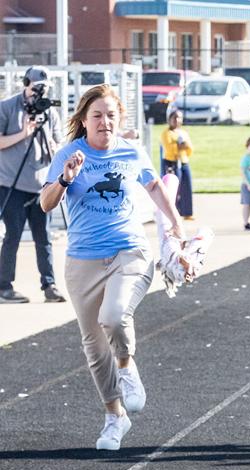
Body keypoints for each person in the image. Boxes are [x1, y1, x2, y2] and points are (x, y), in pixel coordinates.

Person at [39, 84, 186, 450]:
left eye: (111, 115)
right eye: (97, 116)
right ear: (85, 120)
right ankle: (114, 417)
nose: (105, 122)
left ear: (120, 118)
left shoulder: (131, 152)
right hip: (82, 260)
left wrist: (176, 224)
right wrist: (65, 178)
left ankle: (126, 366)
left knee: (116, 315)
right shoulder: (69, 155)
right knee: (93, 346)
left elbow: (154, 187)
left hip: (129, 250)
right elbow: (45, 203)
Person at [0, 66, 66, 304]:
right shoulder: (7, 107)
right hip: (11, 184)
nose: (38, 94)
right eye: (36, 89)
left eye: (43, 90)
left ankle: (49, 285)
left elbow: (58, 146)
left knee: (44, 237)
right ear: (25, 85)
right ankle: (4, 287)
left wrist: (47, 137)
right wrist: (25, 132)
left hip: (41, 187)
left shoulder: (50, 113)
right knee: (13, 236)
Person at [159, 110, 194, 219]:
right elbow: (169, 148)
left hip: (183, 161)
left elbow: (190, 149)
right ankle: (172, 212)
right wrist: (178, 146)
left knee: (186, 186)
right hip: (171, 162)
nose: (177, 120)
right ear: (169, 119)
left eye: (179, 118)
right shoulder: (166, 133)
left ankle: (187, 212)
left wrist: (184, 146)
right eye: (174, 117)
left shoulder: (183, 133)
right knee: (173, 188)